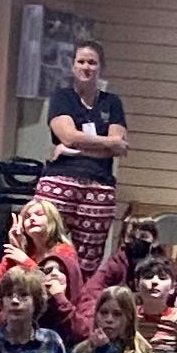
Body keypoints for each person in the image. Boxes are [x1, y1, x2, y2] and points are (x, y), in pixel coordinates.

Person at [36, 38, 127, 321]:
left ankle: (78, 315)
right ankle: (43, 307)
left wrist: (72, 147)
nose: (86, 67)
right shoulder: (62, 97)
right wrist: (103, 143)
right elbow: (67, 135)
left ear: (101, 68)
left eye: (92, 62)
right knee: (48, 249)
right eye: (81, 62)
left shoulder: (112, 103)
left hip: (99, 187)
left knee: (89, 259)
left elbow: (120, 145)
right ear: (73, 66)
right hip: (60, 181)